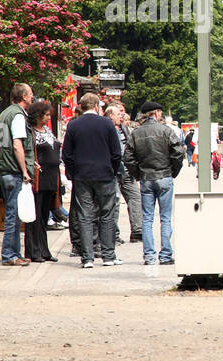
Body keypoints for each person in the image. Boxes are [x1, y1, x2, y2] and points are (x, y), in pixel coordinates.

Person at [62, 92, 124, 268]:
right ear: (97, 106)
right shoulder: (106, 124)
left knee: (84, 216)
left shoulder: (73, 125)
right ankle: (108, 256)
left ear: (82, 106)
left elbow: (66, 154)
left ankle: (87, 258)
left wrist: (73, 172)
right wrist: (112, 169)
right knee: (107, 214)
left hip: (82, 176)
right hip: (105, 175)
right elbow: (116, 152)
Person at [124, 101, 185, 265]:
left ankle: (149, 256)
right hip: (165, 177)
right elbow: (178, 153)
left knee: (147, 218)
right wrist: (173, 172)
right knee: (165, 218)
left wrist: (138, 174)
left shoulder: (136, 133)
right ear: (156, 113)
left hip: (146, 179)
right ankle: (165, 255)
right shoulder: (166, 131)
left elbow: (128, 158)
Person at [0, 82, 36, 266]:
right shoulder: (18, 116)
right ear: (24, 96)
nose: (32, 97)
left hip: (3, 166)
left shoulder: (5, 113)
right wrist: (25, 170)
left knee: (15, 214)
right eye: (31, 94)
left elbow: (4, 142)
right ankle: (9, 255)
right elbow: (17, 144)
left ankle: (15, 253)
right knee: (13, 214)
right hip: (13, 170)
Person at [23, 100, 59, 263]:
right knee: (35, 215)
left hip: (51, 178)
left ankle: (44, 250)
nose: (47, 118)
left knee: (44, 215)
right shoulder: (31, 132)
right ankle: (33, 250)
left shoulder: (47, 131)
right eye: (45, 115)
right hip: (39, 178)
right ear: (37, 115)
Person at [107, 102, 142, 244]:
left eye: (123, 111)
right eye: (119, 111)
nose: (122, 114)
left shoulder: (126, 129)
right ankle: (113, 234)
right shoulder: (106, 128)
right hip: (113, 171)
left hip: (127, 171)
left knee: (135, 197)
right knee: (114, 202)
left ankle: (137, 231)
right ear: (111, 115)